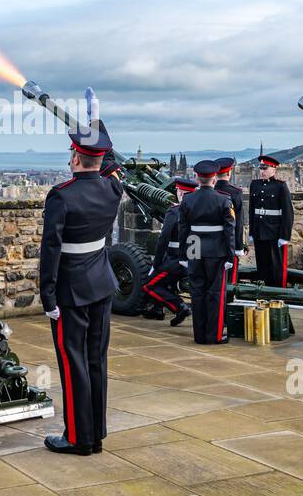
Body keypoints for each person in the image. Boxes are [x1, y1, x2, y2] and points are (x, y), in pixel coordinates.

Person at [38, 126, 124, 455]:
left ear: (75, 157)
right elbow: (112, 162)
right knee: (96, 360)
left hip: (70, 289)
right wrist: (96, 125)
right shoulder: (113, 189)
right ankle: (96, 434)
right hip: (101, 282)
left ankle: (77, 438)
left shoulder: (62, 195)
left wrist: (48, 295)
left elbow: (51, 250)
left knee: (73, 362)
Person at [179, 159, 237, 345]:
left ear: (197, 178)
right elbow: (230, 230)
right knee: (215, 293)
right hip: (216, 249)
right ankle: (215, 335)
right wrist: (230, 255)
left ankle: (200, 335)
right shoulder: (223, 199)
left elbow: (183, 229)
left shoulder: (188, 199)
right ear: (214, 179)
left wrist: (183, 255)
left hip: (194, 246)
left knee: (197, 292)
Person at [142, 177, 196, 327]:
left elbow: (163, 239)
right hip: (195, 257)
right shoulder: (200, 210)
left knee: (149, 285)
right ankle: (161, 309)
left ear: (180, 192)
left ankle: (179, 307)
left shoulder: (174, 212)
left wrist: (157, 263)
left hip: (175, 260)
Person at [248, 154, 294, 287]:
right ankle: (263, 293)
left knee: (276, 267)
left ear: (273, 170)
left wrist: (285, 236)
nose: (262, 171)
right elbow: (252, 210)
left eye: (265, 169)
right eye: (261, 169)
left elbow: (288, 213)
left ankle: (277, 294)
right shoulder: (254, 185)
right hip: (259, 231)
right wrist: (251, 231)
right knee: (262, 265)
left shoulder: (281, 186)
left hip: (274, 232)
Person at [214, 157, 246, 285]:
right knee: (229, 282)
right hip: (229, 243)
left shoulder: (209, 192)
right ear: (229, 173)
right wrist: (238, 247)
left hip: (210, 244)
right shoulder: (236, 192)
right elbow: (238, 223)